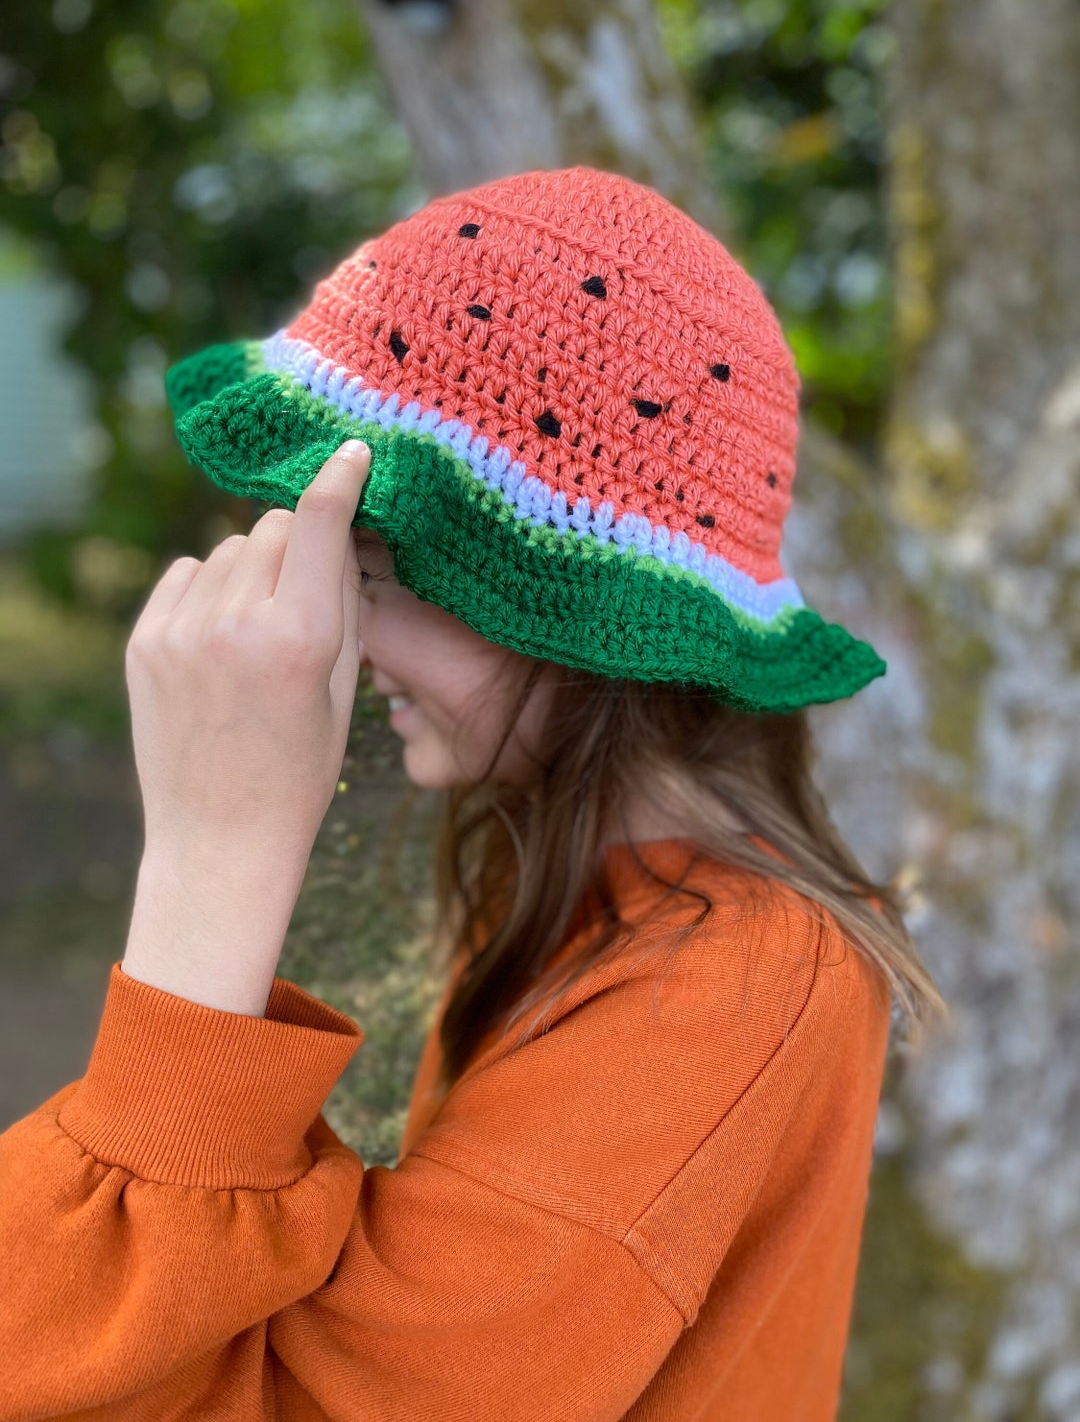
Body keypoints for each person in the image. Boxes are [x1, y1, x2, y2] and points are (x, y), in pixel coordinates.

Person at [0, 165, 948, 1421]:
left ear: (570, 612)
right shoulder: (597, 890)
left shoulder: (714, 995)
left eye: (377, 566)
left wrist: (211, 862)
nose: (330, 624)